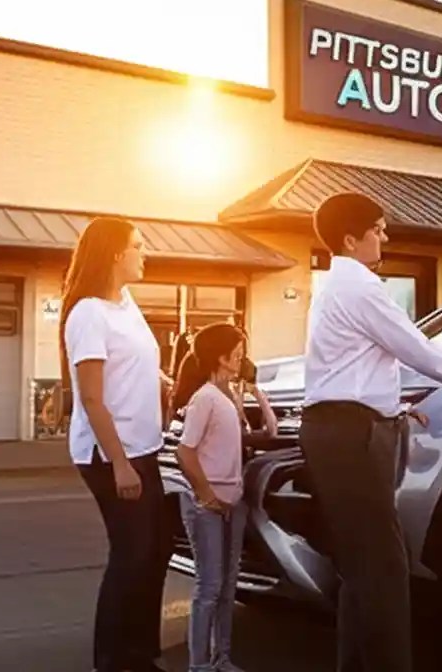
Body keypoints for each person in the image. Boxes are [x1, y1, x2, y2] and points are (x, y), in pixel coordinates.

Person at [300, 192, 442, 672]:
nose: (385, 236)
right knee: (383, 568)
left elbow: (357, 366)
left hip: (341, 430)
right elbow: (424, 354)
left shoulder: (333, 287)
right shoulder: (360, 289)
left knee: (362, 570)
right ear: (349, 239)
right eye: (377, 229)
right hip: (353, 436)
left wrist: (395, 405)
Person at [59, 216, 170, 672]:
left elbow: (133, 360)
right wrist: (120, 463)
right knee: (131, 553)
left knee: (158, 545)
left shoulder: (125, 302)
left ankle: (141, 652)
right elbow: (90, 396)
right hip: (110, 454)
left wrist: (162, 379)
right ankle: (112, 661)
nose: (145, 254)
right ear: (114, 254)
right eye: (138, 246)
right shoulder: (88, 313)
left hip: (143, 446)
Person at [171, 323, 255, 672]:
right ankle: (199, 665)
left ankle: (221, 658)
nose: (242, 357)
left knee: (227, 585)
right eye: (237, 351)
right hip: (208, 506)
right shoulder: (204, 398)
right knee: (209, 586)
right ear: (222, 356)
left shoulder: (226, 397)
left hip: (230, 504)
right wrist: (206, 495)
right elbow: (185, 452)